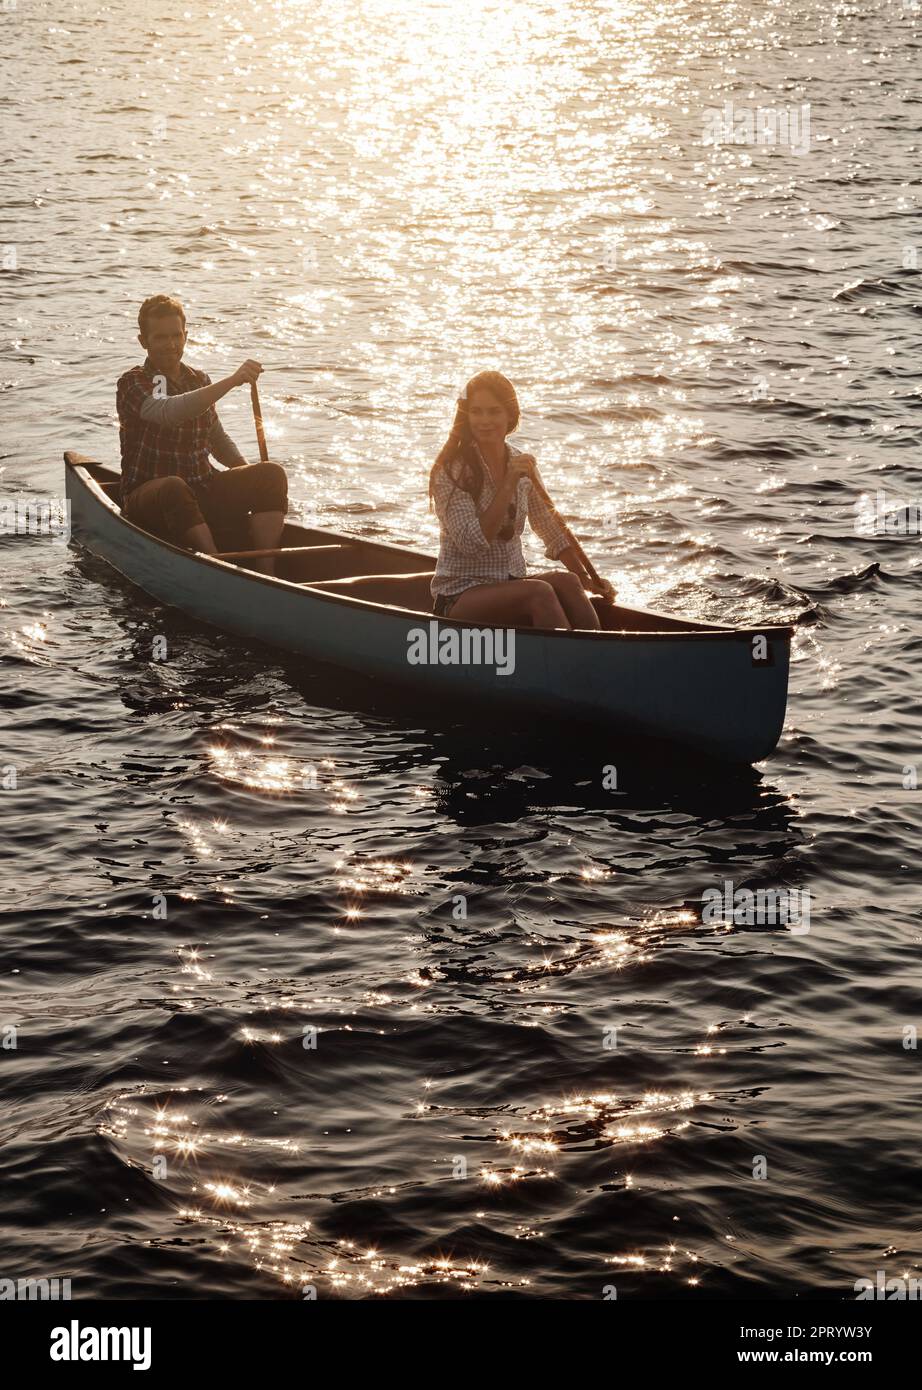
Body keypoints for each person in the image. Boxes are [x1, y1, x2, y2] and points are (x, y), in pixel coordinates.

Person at [116, 295, 288, 574]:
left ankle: (266, 572)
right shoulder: (135, 381)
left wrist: (249, 476)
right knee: (173, 486)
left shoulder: (198, 379)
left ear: (186, 336)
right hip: (149, 498)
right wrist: (232, 381)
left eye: (176, 336)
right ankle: (218, 568)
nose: (171, 345)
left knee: (271, 473)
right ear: (143, 341)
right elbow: (167, 411)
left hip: (200, 488)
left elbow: (216, 437)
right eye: (160, 338)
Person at [429, 371, 615, 629]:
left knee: (569, 582)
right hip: (459, 594)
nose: (484, 421)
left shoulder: (520, 463)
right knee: (538, 592)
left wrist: (586, 578)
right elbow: (471, 543)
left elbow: (551, 529)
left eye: (494, 412)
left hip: (509, 585)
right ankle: (570, 664)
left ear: (510, 416)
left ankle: (599, 656)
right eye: (476, 412)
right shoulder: (452, 470)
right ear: (466, 415)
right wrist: (507, 485)